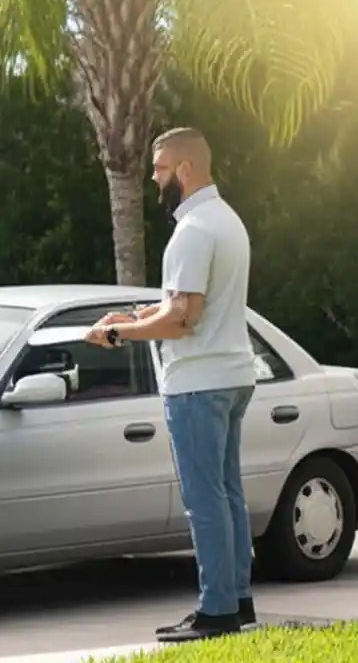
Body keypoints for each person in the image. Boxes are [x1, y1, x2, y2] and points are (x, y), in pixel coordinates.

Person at [85, 127, 258, 642]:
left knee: (203, 499)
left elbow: (183, 319)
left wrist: (117, 332)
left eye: (159, 170)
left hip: (197, 383)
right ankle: (238, 600)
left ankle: (217, 612)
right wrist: (137, 312)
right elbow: (187, 306)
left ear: (184, 170)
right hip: (232, 376)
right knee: (227, 493)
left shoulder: (192, 232)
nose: (154, 179)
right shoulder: (226, 221)